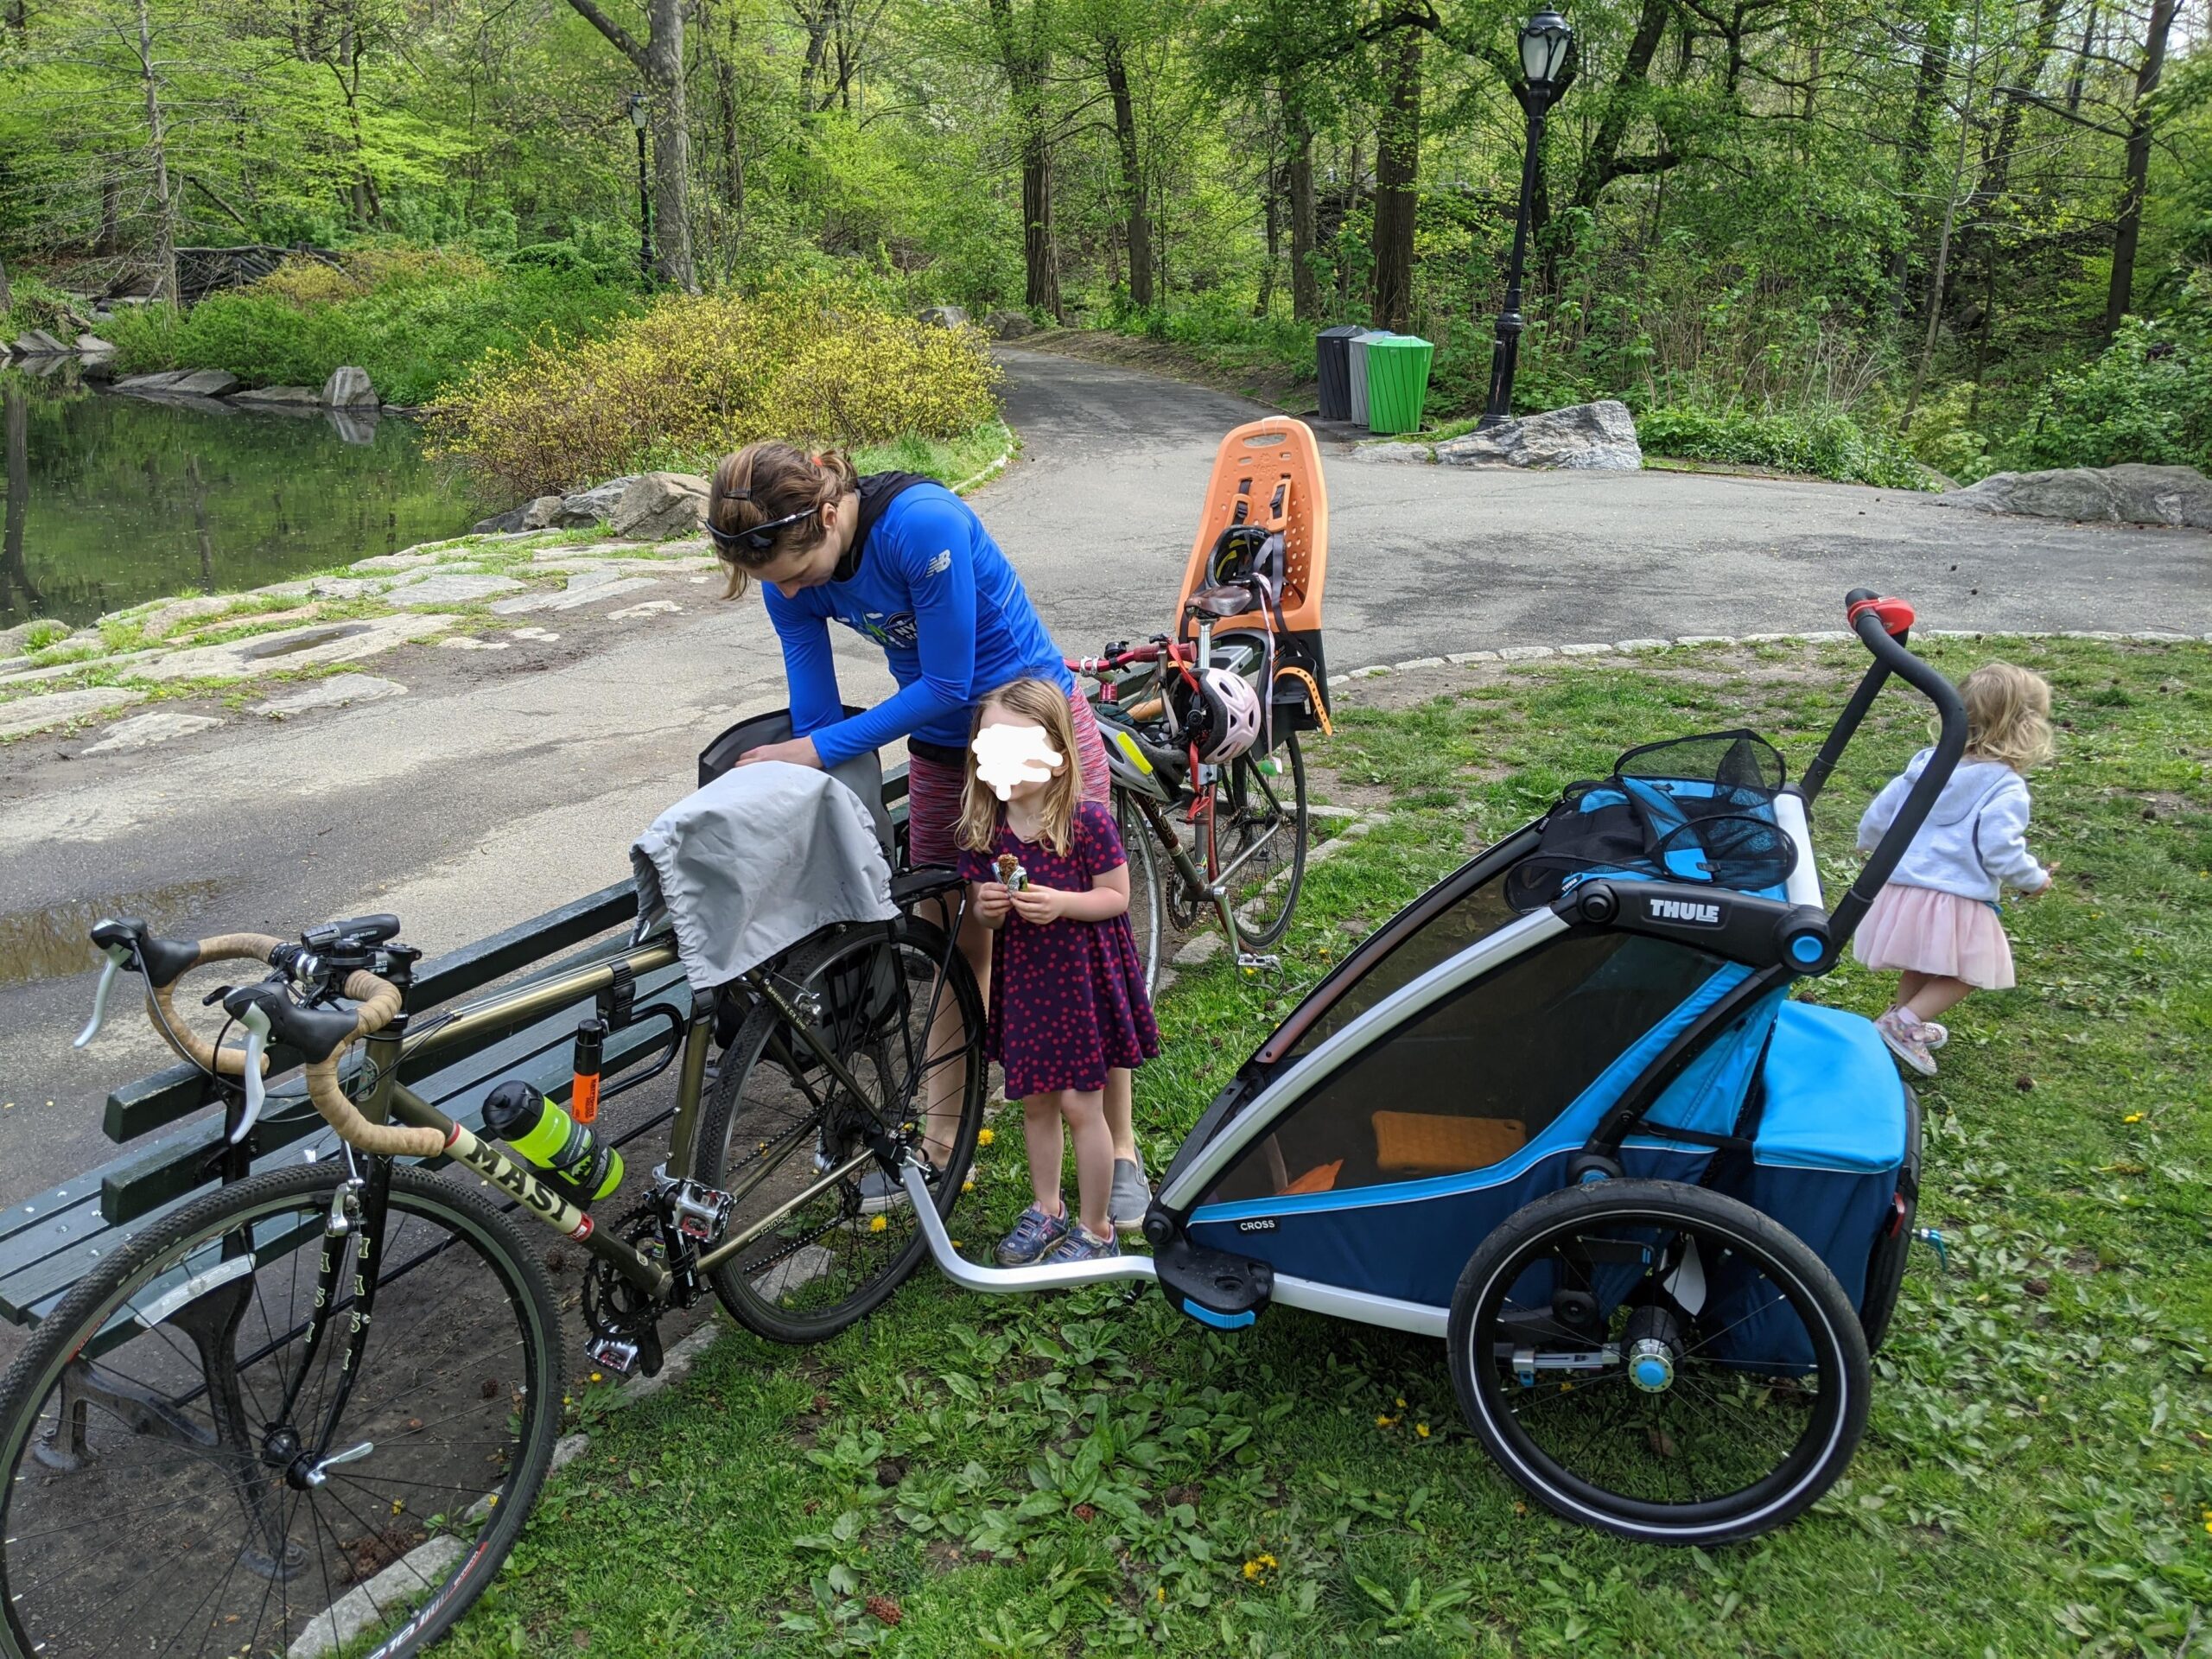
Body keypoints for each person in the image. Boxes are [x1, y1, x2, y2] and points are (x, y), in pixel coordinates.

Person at [705, 443, 1153, 1224]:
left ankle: (1120, 1146)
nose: (791, 590)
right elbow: (817, 717)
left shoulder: (921, 524)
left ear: (828, 513)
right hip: (946, 748)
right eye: (774, 580)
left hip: (1033, 735)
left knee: (1081, 946)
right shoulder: (788, 577)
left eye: (797, 569)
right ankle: (947, 1138)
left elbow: (948, 680)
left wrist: (811, 750)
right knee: (955, 938)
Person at [955, 679, 1160, 1263]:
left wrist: (1062, 903)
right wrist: (988, 908)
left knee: (1080, 1106)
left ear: (1058, 756)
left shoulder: (1085, 822)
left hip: (1080, 987)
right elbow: (982, 908)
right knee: (1037, 1103)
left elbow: (1116, 897)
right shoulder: (986, 832)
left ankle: (1097, 1227)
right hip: (1026, 987)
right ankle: (1048, 1210)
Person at [1854, 661, 2056, 1076]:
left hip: (1903, 891)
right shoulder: (2004, 784)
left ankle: (1906, 1018)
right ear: (2025, 727)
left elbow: (1879, 816)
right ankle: (1902, 1025)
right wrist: (2033, 880)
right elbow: (2000, 849)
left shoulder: (1926, 764)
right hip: (1955, 897)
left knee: (1923, 962)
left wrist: (1869, 847)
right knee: (1970, 972)